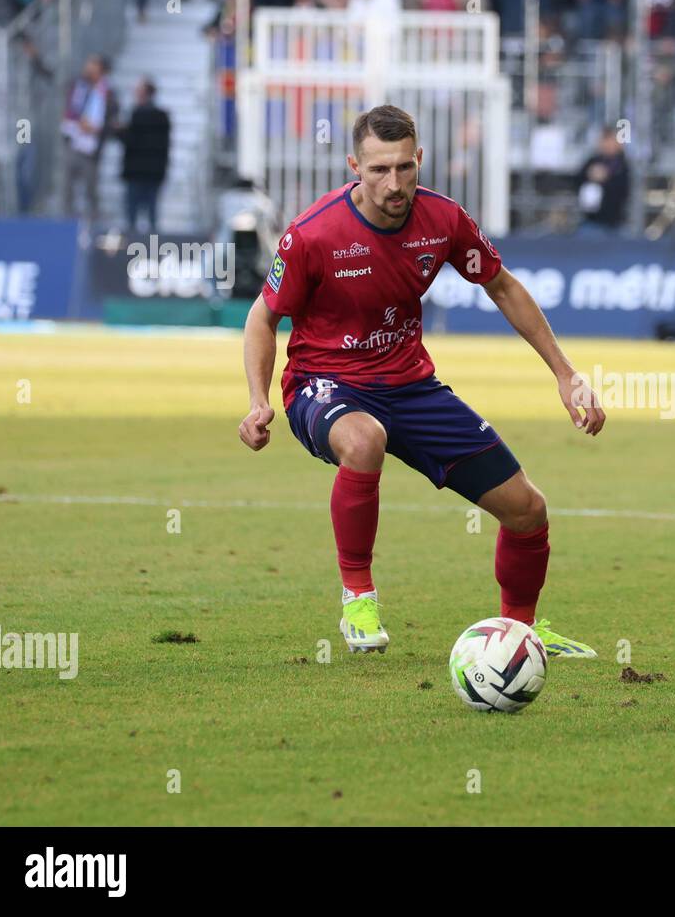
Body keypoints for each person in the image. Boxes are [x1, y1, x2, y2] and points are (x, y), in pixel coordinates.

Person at [238, 105, 605, 657]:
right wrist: (256, 401)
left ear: (420, 160)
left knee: (528, 509)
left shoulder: (444, 220)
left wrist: (565, 373)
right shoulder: (313, 234)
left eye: (405, 168)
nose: (394, 183)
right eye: (379, 169)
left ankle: (521, 634)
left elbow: (502, 287)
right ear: (354, 166)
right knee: (364, 441)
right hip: (325, 382)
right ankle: (358, 597)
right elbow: (262, 317)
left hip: (411, 386)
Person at [59, 53, 114, 232]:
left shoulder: (107, 93)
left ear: (101, 70)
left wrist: (97, 127)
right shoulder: (78, 85)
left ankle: (95, 229)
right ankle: (68, 227)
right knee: (68, 189)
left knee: (91, 191)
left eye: (93, 64)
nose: (88, 67)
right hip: (73, 142)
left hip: (91, 149)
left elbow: (111, 121)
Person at [117, 78, 172, 235]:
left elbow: (132, 140)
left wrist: (120, 131)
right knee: (151, 213)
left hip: (137, 172)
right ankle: (153, 247)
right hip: (154, 172)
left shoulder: (137, 115)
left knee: (132, 213)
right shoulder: (162, 117)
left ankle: (131, 248)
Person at [576, 125, 629, 231]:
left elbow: (622, 189)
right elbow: (577, 180)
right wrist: (589, 175)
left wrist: (606, 178)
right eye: (605, 140)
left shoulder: (622, 165)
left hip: (614, 222)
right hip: (591, 219)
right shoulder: (593, 161)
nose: (607, 144)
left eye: (611, 140)